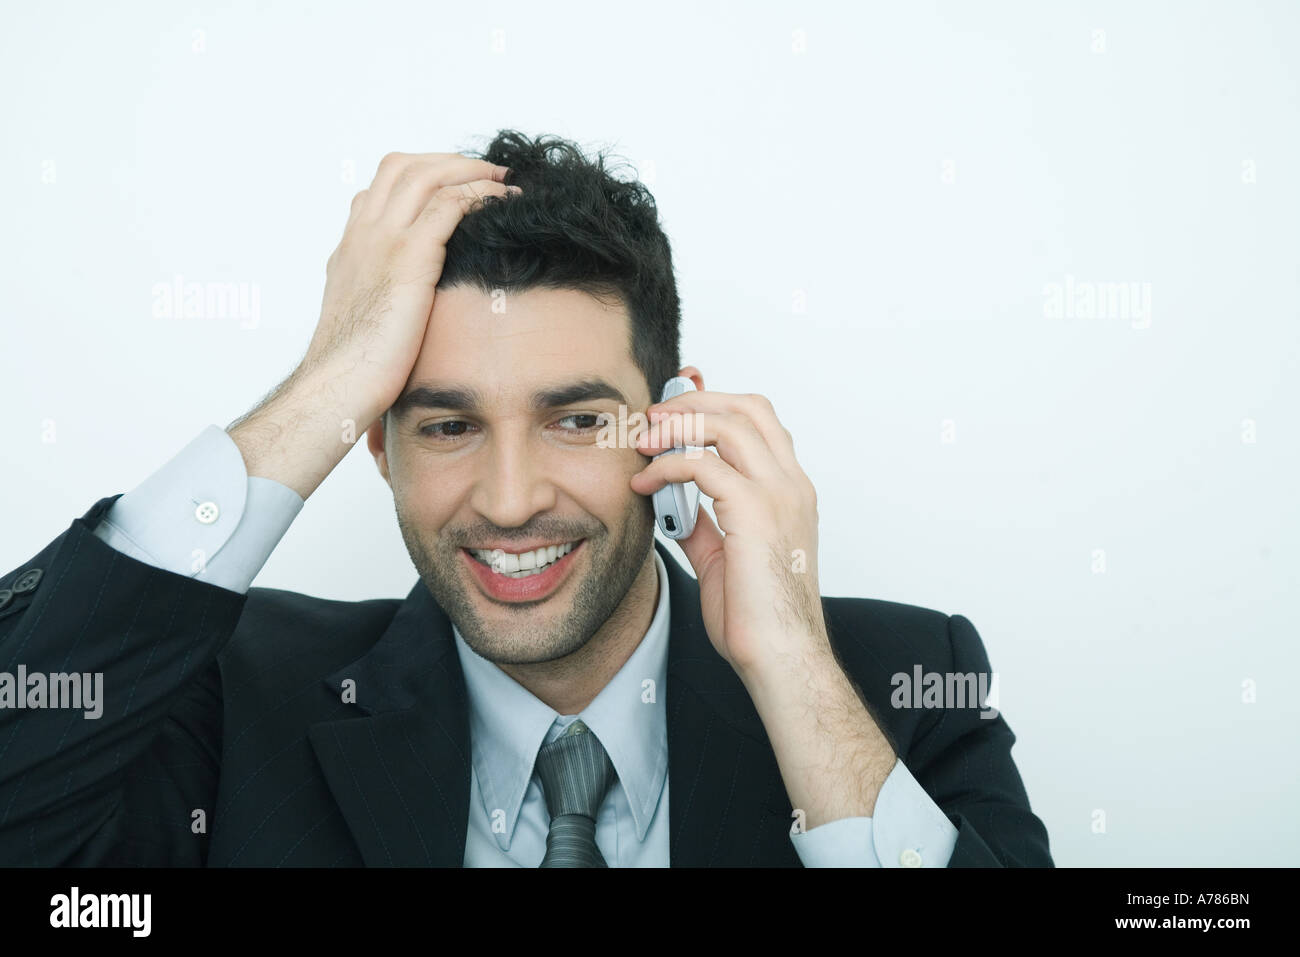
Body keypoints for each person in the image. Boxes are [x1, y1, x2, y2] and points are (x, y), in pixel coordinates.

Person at [0, 131, 1052, 867]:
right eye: (447, 425)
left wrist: (790, 671)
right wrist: (322, 382)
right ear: (374, 443)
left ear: (675, 426)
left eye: (576, 419)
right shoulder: (225, 697)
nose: (507, 502)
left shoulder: (901, 688)